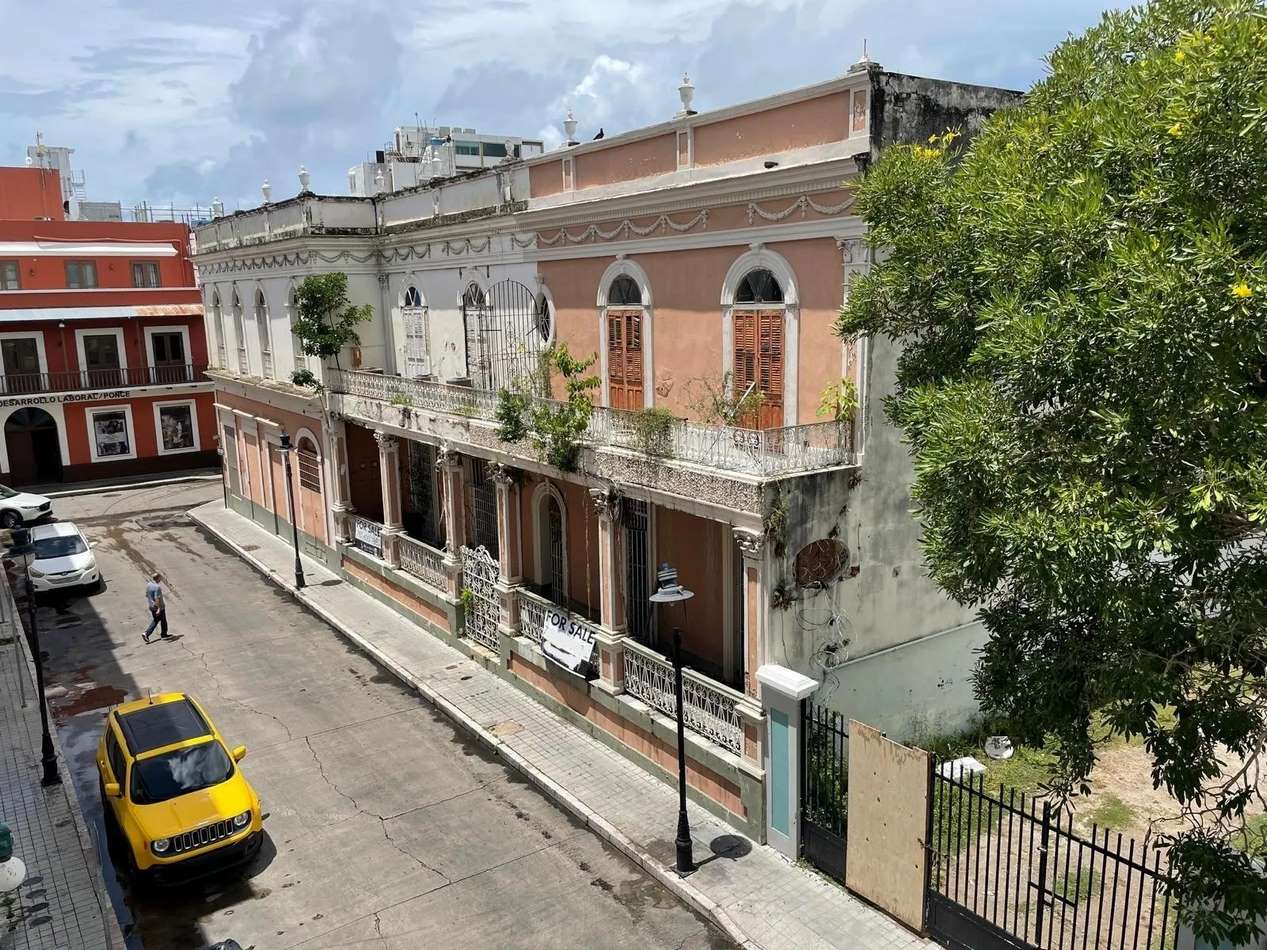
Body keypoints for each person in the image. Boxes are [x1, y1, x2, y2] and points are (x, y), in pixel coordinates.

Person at [143, 572, 171, 642]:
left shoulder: (149, 584)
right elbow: (157, 598)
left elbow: (146, 594)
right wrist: (158, 609)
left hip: (151, 606)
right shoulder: (157, 587)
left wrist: (151, 601)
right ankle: (147, 633)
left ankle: (163, 634)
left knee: (161, 620)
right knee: (158, 620)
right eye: (160, 578)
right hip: (158, 607)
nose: (161, 579)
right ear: (158, 578)